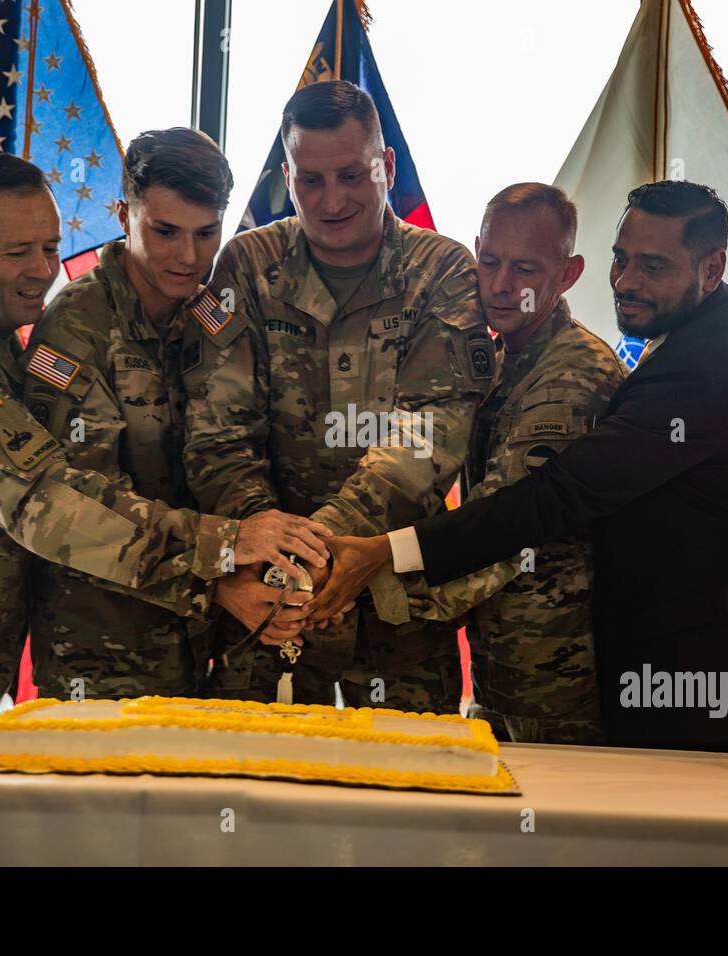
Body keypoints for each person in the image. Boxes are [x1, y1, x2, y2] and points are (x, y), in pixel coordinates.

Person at [311, 180, 728, 755]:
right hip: (697, 681)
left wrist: (377, 565)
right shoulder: (700, 337)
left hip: (724, 693)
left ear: (711, 269)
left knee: (685, 845)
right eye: (622, 259)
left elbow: (549, 500)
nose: (627, 282)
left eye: (654, 266)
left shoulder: (703, 366)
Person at [0, 154, 329, 719]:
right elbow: (48, 503)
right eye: (18, 253)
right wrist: (223, 549)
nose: (42, 270)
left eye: (50, 248)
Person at [182, 80, 496, 711]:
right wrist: (270, 557)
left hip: (394, 617)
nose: (332, 201)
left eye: (352, 175)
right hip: (263, 614)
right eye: (311, 180)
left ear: (387, 166)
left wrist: (310, 552)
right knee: (251, 800)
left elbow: (429, 436)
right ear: (285, 176)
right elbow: (218, 431)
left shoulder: (444, 272)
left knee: (402, 803)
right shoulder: (246, 267)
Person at [20, 129, 321, 700]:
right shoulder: (78, 327)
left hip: (204, 642)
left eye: (207, 234)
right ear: (123, 213)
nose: (189, 257)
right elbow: (80, 509)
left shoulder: (214, 314)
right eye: (165, 232)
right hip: (105, 651)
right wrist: (218, 576)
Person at [381, 183, 624, 744]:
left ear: (567, 274)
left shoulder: (574, 373)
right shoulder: (496, 358)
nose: (499, 286)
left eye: (524, 270)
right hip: (503, 665)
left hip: (558, 679)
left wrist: (378, 597)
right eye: (488, 262)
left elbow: (506, 525)